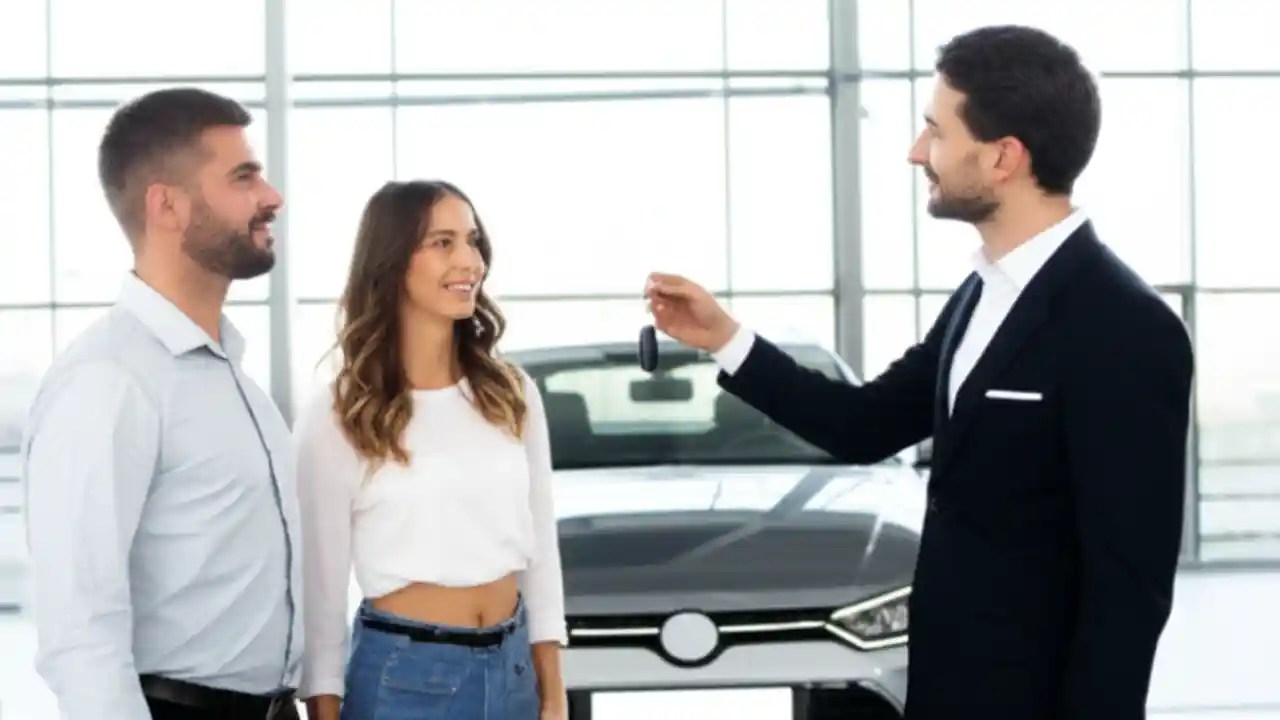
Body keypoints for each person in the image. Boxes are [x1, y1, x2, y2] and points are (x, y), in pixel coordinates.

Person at [645, 25, 1193, 720]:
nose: (915, 152)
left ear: (1003, 158)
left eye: (935, 131)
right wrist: (724, 338)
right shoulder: (981, 294)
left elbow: (1128, 588)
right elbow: (864, 425)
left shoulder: (1124, 324)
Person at [20, 87, 302, 719]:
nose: (271, 196)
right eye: (243, 176)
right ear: (167, 206)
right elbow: (80, 633)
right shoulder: (108, 380)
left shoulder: (229, 374)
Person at [293, 179, 568, 720]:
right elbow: (319, 596)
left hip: (514, 672)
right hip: (405, 680)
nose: (470, 261)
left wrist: (553, 694)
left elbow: (541, 551)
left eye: (472, 241)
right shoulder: (340, 412)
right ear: (393, 261)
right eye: (443, 243)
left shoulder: (510, 393)